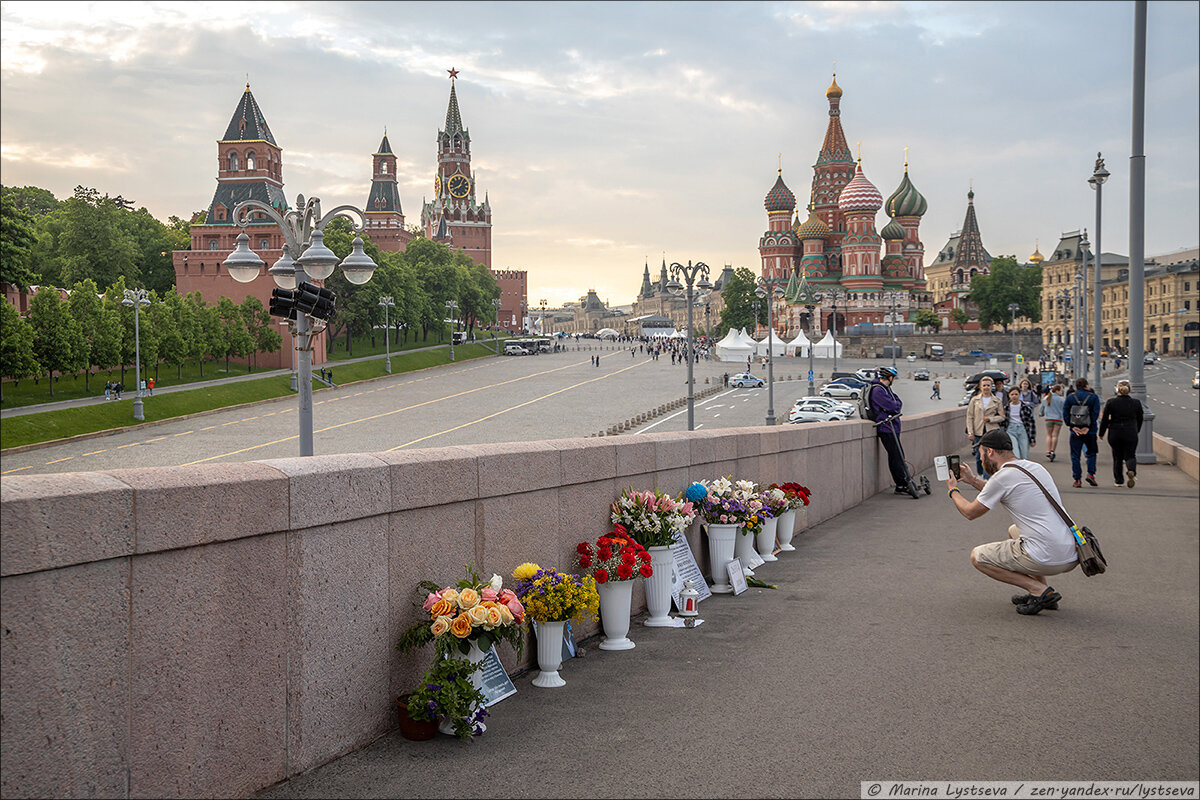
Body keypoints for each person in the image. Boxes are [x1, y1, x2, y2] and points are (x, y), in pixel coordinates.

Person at [944, 429, 1079, 616]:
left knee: (978, 557)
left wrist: (953, 490)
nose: (981, 458)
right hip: (1071, 552)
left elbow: (970, 512)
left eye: (981, 453)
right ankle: (1043, 591)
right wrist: (973, 480)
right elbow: (1001, 491)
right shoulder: (1034, 467)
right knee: (1014, 530)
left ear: (990, 452)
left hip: (1048, 556)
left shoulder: (1002, 478)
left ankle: (1038, 590)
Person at [865, 366, 913, 497]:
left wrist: (896, 404)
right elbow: (894, 406)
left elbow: (897, 403)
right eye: (894, 378)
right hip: (886, 427)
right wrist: (895, 404)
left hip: (891, 426)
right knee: (896, 457)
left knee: (898, 456)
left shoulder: (886, 389)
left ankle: (903, 482)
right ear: (890, 378)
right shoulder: (878, 391)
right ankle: (901, 485)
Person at [1098, 379, 1143, 488]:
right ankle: (1131, 470)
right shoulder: (1136, 403)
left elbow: (1105, 420)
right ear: (1130, 390)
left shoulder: (1111, 402)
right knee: (1130, 455)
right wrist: (1137, 429)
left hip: (1115, 432)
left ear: (1117, 390)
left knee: (1117, 456)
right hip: (1130, 431)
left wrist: (1101, 432)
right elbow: (1140, 418)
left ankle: (1119, 480)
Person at [1062, 377, 1101, 488]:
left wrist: (1072, 426)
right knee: (1091, 453)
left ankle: (1077, 479)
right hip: (1090, 431)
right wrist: (1088, 427)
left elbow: (1065, 412)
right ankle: (1091, 474)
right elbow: (1095, 413)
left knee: (1075, 456)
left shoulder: (1070, 397)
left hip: (1075, 431)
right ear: (1086, 385)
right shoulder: (1093, 397)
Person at [965, 376, 1006, 476]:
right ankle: (980, 473)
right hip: (978, 431)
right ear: (980, 387)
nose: (986, 387)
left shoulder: (996, 401)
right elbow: (970, 417)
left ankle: (987, 478)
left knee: (989, 455)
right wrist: (970, 432)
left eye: (988, 385)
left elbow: (1002, 417)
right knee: (979, 456)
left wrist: (991, 419)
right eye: (984, 385)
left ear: (992, 387)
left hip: (991, 431)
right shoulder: (974, 400)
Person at [1003, 386, 1036, 460]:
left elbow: (1031, 423)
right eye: (1012, 394)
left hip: (1022, 429)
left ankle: (1023, 470)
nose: (1014, 396)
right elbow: (1003, 422)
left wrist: (1032, 439)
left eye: (1016, 394)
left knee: (1024, 454)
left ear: (1019, 395)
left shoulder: (1025, 407)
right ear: (1009, 395)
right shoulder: (1006, 408)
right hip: (1011, 430)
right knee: (1015, 453)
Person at [1042, 384, 1066, 461]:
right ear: (1057, 391)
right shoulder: (1062, 400)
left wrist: (1042, 414)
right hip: (1058, 419)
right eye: (1061, 391)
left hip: (1049, 419)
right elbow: (1064, 409)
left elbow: (1042, 408)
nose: (1062, 392)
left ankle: (1048, 451)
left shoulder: (1046, 398)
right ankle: (1052, 451)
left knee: (1049, 435)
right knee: (1055, 435)